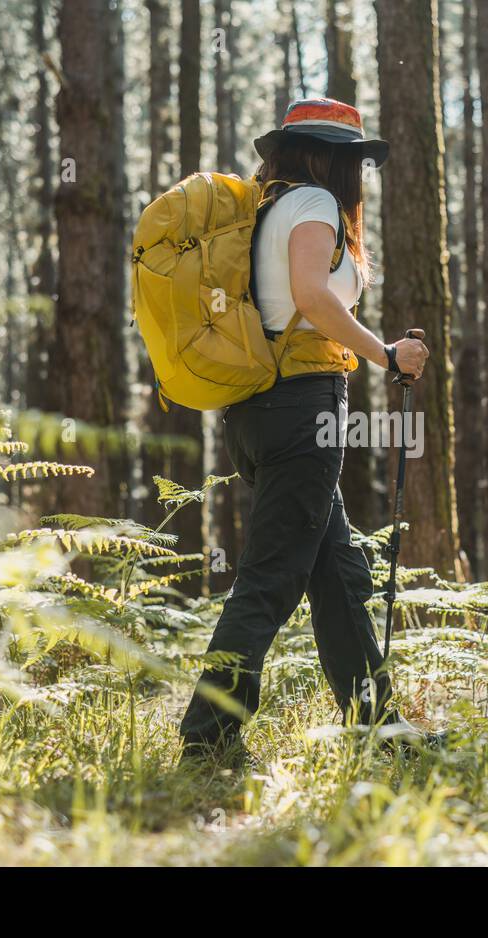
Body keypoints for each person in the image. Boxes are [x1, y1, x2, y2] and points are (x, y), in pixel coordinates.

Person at [178, 98, 430, 766]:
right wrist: (386, 355)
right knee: (270, 578)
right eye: (355, 160)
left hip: (262, 410)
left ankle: (377, 725)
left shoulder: (265, 209)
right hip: (303, 407)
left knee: (339, 573)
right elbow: (314, 297)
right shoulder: (315, 204)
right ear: (332, 157)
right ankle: (207, 740)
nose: (359, 176)